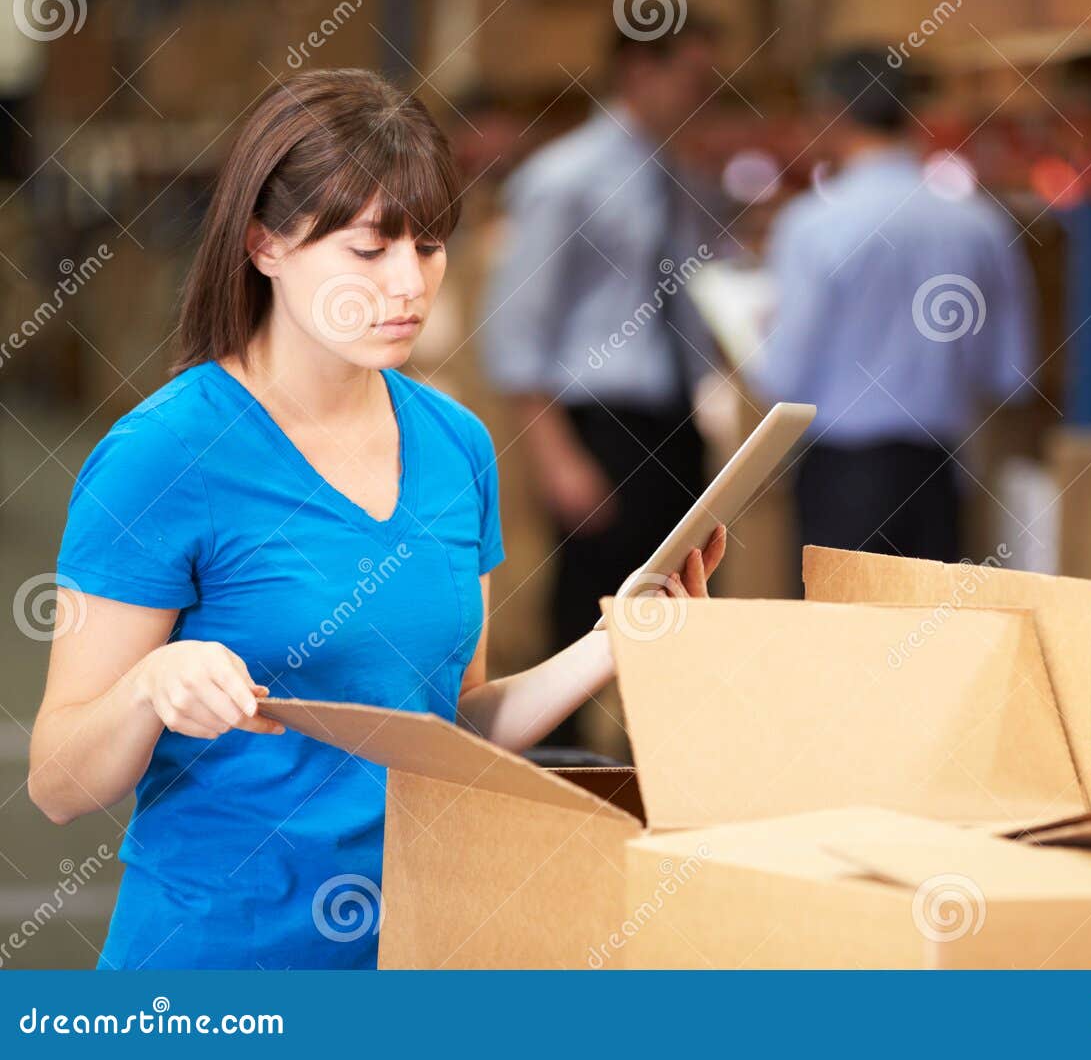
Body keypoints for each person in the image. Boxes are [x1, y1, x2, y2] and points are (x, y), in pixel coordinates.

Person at [26, 69, 725, 970]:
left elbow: (448, 725)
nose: (408, 283)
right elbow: (57, 784)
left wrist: (615, 640)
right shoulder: (164, 455)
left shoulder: (456, 444)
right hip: (222, 962)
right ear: (265, 244)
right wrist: (147, 685)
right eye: (368, 249)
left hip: (413, 950)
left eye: (429, 245)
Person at [479, 20, 723, 742]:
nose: (704, 98)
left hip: (674, 418)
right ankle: (562, 776)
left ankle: (664, 778)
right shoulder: (565, 178)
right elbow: (518, 327)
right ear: (640, 72)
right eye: (693, 80)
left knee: (681, 611)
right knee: (585, 616)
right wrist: (556, 454)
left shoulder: (677, 178)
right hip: (600, 424)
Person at [750, 48, 1037, 563]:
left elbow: (782, 376)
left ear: (831, 114)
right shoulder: (979, 225)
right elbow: (1010, 375)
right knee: (928, 616)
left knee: (835, 617)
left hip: (839, 476)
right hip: (937, 475)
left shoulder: (812, 224)